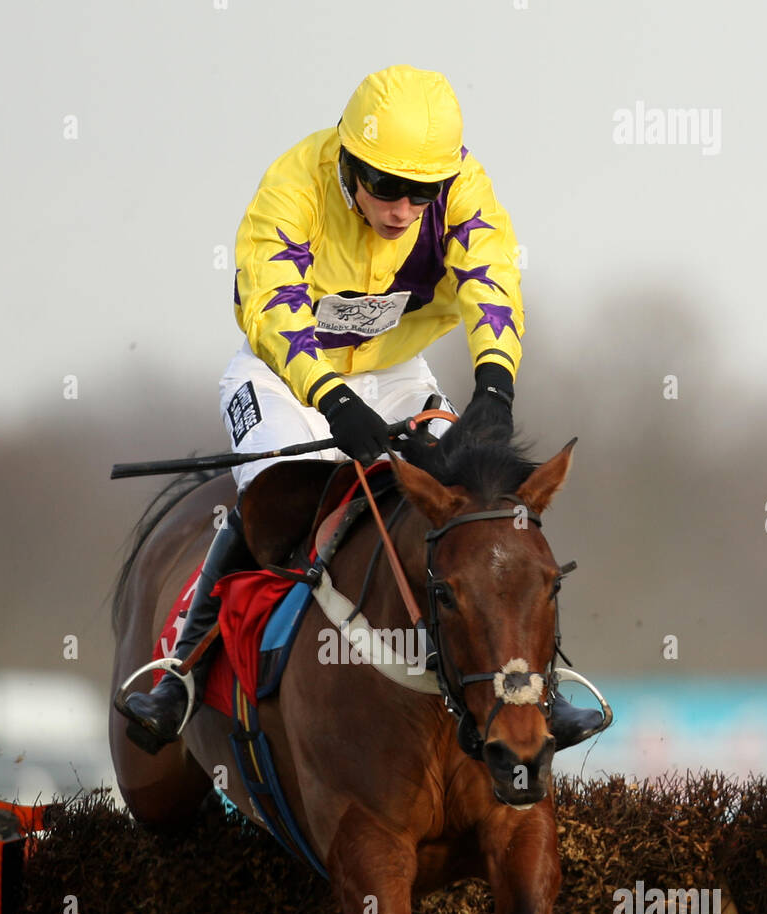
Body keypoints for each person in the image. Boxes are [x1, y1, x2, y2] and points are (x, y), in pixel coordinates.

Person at [118, 64, 602, 752]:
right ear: (347, 162)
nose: (403, 208)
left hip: (393, 369)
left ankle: (539, 691)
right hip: (286, 374)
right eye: (384, 186)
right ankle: (180, 673)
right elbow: (273, 309)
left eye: (421, 192)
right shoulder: (293, 188)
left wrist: (495, 384)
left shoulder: (465, 190)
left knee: (478, 502)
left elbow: (490, 281)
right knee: (288, 503)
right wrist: (331, 401)